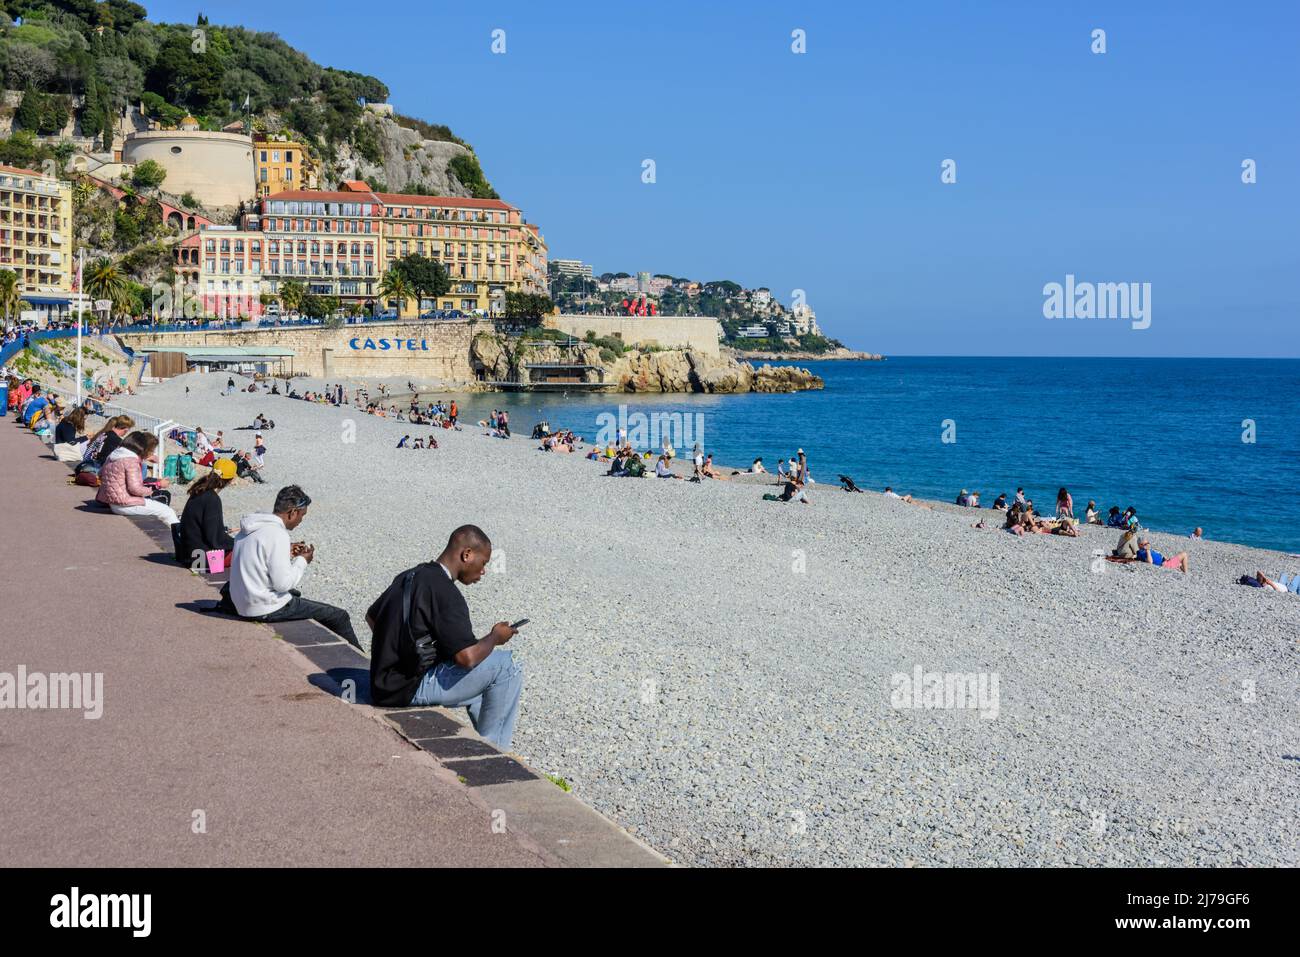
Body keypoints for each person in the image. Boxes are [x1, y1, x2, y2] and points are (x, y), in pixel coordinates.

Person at [366, 525, 524, 751]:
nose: (483, 571)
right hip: (409, 688)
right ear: (467, 554)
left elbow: (372, 616)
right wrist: (495, 637)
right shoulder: (446, 593)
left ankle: (484, 741)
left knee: (485, 673)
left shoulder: (412, 575)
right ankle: (496, 753)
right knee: (509, 665)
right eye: (484, 563)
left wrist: (401, 650)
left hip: (383, 684)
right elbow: (467, 658)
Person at [225, 486, 361, 648]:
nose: (301, 521)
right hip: (262, 607)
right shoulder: (278, 534)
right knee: (339, 616)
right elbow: (283, 584)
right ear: (292, 513)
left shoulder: (251, 527)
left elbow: (258, 559)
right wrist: (302, 561)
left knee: (296, 595)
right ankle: (365, 667)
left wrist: (287, 552)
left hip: (241, 603)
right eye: (302, 515)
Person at [96, 431, 179, 527]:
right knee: (167, 511)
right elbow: (135, 489)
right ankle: (180, 536)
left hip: (112, 502)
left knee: (160, 509)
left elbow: (100, 474)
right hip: (124, 504)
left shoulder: (114, 455)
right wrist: (159, 485)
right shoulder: (131, 461)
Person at [174, 459, 238, 567]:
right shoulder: (212, 499)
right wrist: (238, 542)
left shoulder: (199, 490)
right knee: (247, 551)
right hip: (201, 559)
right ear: (230, 480)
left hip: (187, 551)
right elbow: (215, 539)